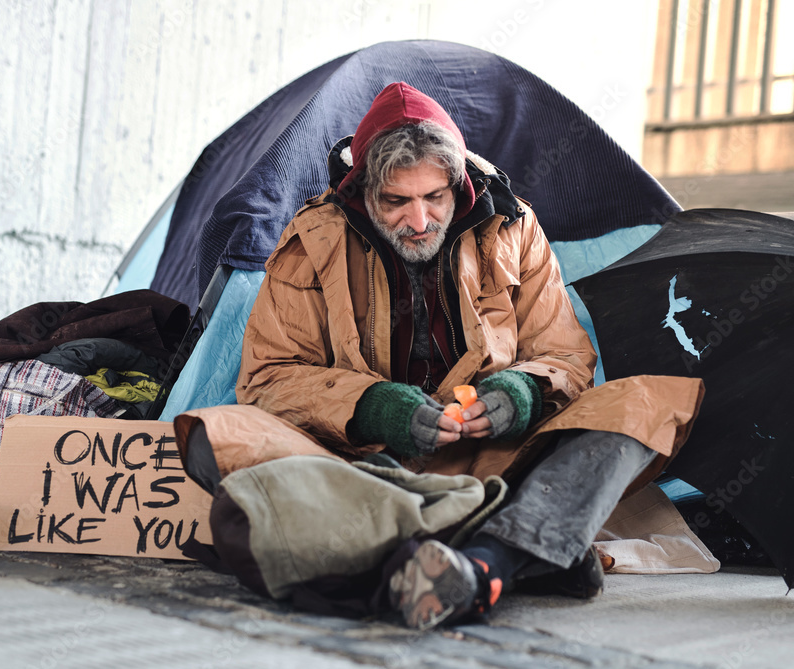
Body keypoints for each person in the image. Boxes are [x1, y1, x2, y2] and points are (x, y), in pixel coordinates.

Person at [213, 82, 704, 630]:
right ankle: (522, 554)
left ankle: (480, 563)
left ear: (459, 185)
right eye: (396, 201)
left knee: (643, 401)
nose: (419, 221)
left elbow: (563, 355)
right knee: (223, 437)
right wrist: (373, 405)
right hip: (373, 464)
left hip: (502, 454)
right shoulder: (312, 242)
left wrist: (521, 392)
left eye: (435, 198)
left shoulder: (513, 227)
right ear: (363, 192)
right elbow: (267, 379)